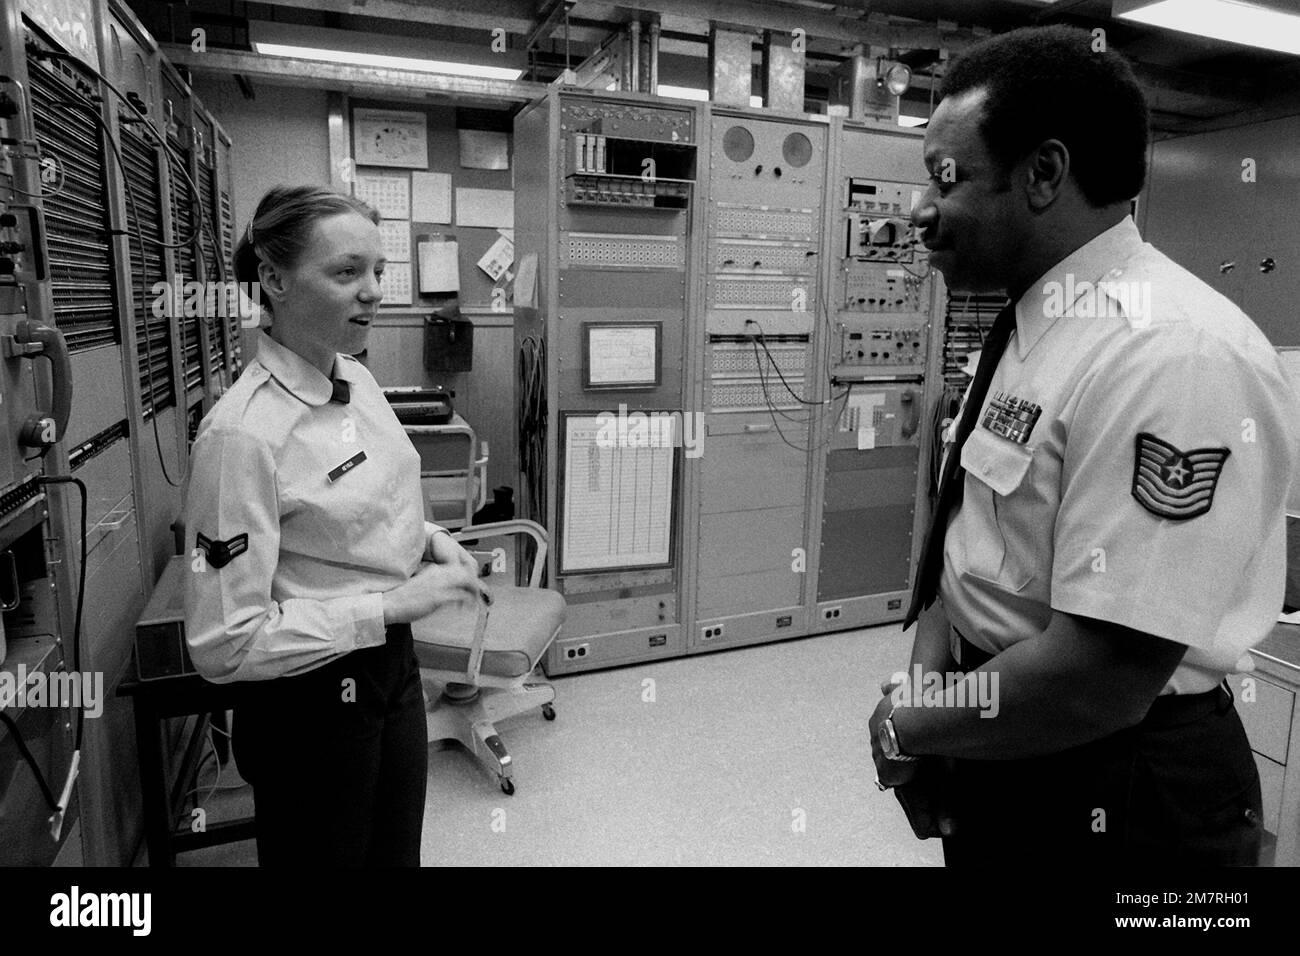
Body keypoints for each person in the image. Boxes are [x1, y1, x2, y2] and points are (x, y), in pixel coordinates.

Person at [868, 25, 1298, 864]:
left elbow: (1099, 678)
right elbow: (975, 540)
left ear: (1044, 174)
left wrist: (908, 724)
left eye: (945, 178)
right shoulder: (1037, 325)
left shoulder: (1166, 351)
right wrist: (931, 689)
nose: (918, 211)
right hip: (1003, 733)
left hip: (1121, 787)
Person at [183, 185, 489, 866]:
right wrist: (383, 607)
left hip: (392, 672)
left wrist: (432, 543)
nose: (374, 291)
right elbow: (223, 644)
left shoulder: (358, 381)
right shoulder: (241, 437)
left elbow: (378, 505)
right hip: (308, 705)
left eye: (378, 271)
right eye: (346, 273)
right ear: (274, 280)